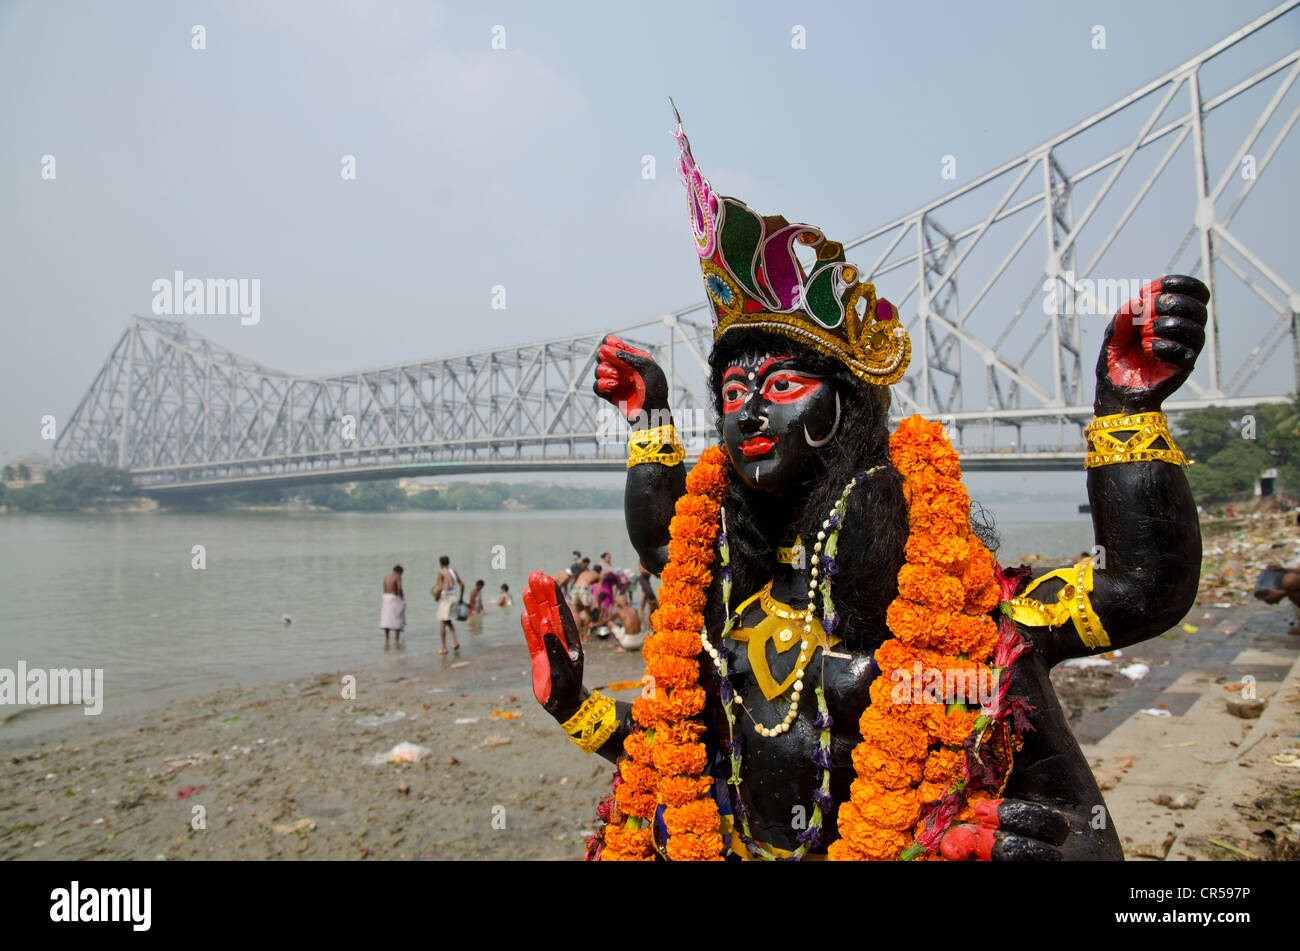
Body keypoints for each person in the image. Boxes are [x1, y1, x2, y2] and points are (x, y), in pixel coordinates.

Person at [521, 107, 1213, 861]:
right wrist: (571, 705)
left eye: (781, 383)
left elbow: (1142, 585)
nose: (747, 408)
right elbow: (672, 745)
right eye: (729, 391)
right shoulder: (723, 600)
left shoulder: (956, 606)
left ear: (844, 411)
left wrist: (1126, 408)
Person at [433, 555, 464, 654]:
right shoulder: (453, 572)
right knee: (448, 621)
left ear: (440, 564)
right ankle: (455, 641)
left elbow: (439, 587)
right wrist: (461, 598)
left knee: (442, 623)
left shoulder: (441, 573)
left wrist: (436, 597)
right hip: (454, 598)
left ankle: (444, 648)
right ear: (448, 563)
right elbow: (462, 585)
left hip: (446, 599)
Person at [570, 562, 600, 639]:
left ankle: (580, 635)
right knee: (587, 613)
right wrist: (598, 603)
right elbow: (598, 592)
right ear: (600, 571)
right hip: (584, 590)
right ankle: (586, 636)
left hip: (575, 589)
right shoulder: (598, 576)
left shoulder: (585, 572)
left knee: (578, 613)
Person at [380, 565, 406, 645]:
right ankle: (396, 639)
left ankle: (387, 638)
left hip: (385, 597)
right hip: (393, 597)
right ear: (400, 572)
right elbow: (399, 588)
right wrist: (401, 597)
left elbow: (384, 587)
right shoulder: (397, 577)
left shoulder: (386, 576)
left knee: (387, 618)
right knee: (398, 617)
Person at [637, 562, 658, 628]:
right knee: (649, 594)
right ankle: (642, 610)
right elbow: (642, 571)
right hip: (642, 578)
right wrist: (652, 572)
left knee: (645, 595)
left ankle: (647, 612)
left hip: (646, 579)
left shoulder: (647, 561)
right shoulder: (641, 561)